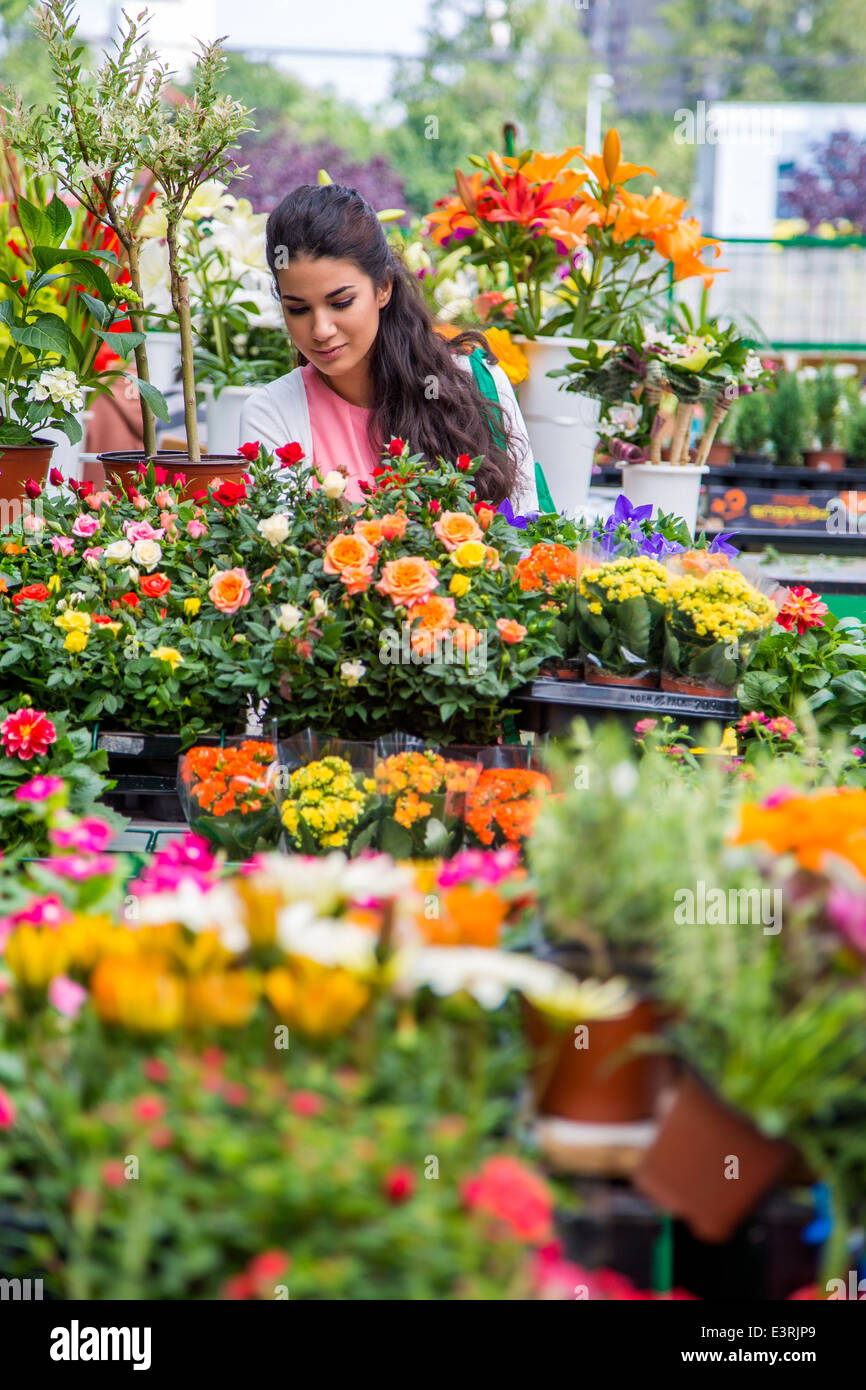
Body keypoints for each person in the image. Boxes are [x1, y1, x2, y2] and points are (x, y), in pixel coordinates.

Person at [239, 183, 538, 511]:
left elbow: (527, 534)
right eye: (297, 309)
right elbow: (276, 548)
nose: (321, 330)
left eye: (341, 302)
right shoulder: (271, 413)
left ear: (383, 287)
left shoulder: (477, 383)